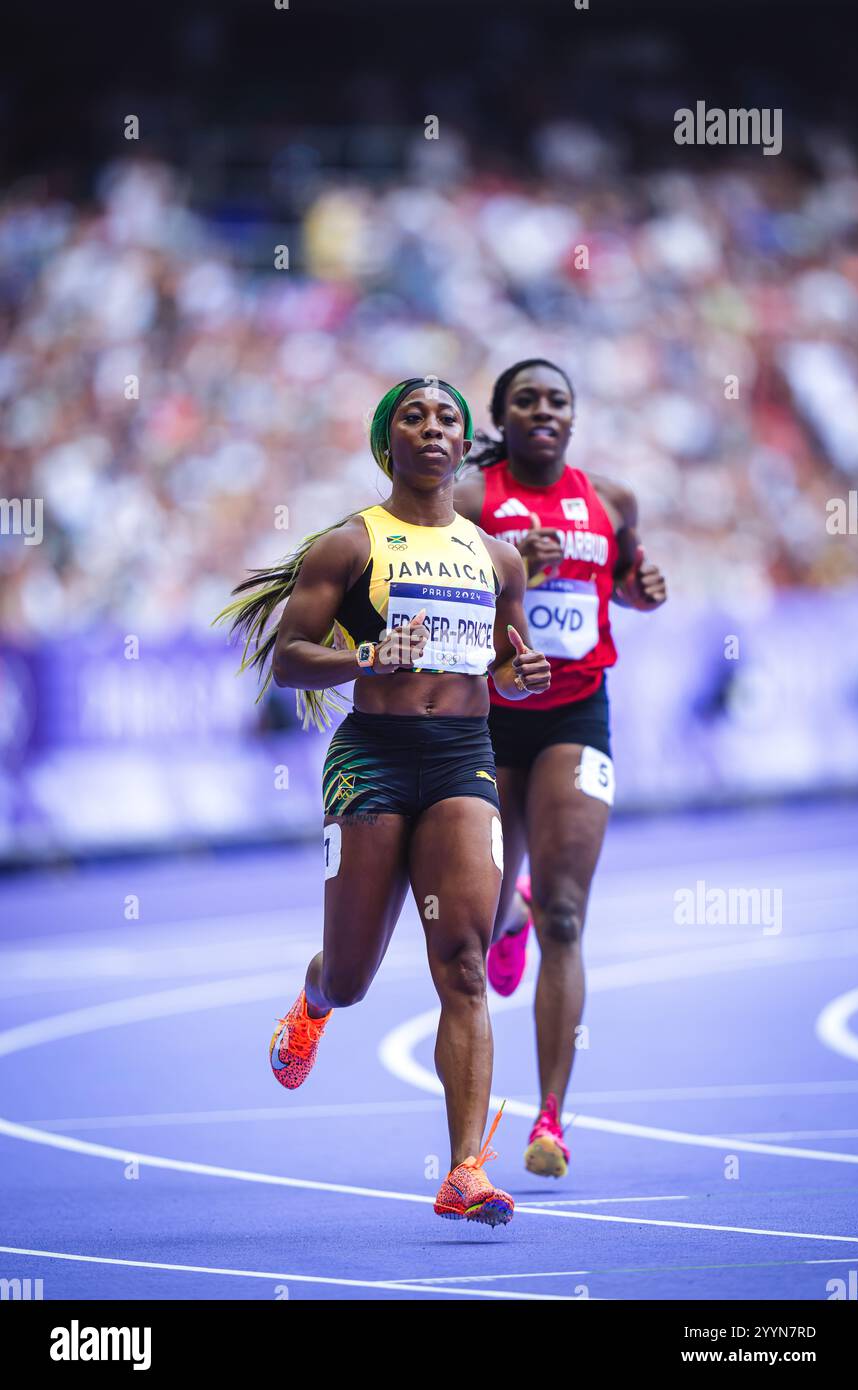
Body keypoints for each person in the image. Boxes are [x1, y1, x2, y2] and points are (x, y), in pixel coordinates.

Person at [216, 377, 551, 1225]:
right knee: (356, 973)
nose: (433, 428)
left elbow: (503, 667)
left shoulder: (498, 556)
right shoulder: (348, 545)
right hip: (371, 761)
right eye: (414, 416)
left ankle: (464, 1170)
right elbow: (290, 658)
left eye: (447, 418)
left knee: (465, 966)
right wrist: (363, 656)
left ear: (462, 441)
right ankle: (315, 999)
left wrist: (521, 675)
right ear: (386, 441)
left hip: (461, 763)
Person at [453, 358, 667, 1179]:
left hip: (579, 714)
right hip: (493, 719)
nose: (544, 410)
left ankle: (550, 1120)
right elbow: (439, 605)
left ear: (573, 417)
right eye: (526, 401)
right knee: (484, 917)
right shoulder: (472, 502)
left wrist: (642, 587)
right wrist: (515, 570)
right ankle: (510, 917)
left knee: (569, 918)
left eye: (558, 400)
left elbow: (630, 584)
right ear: (502, 420)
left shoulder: (611, 501)